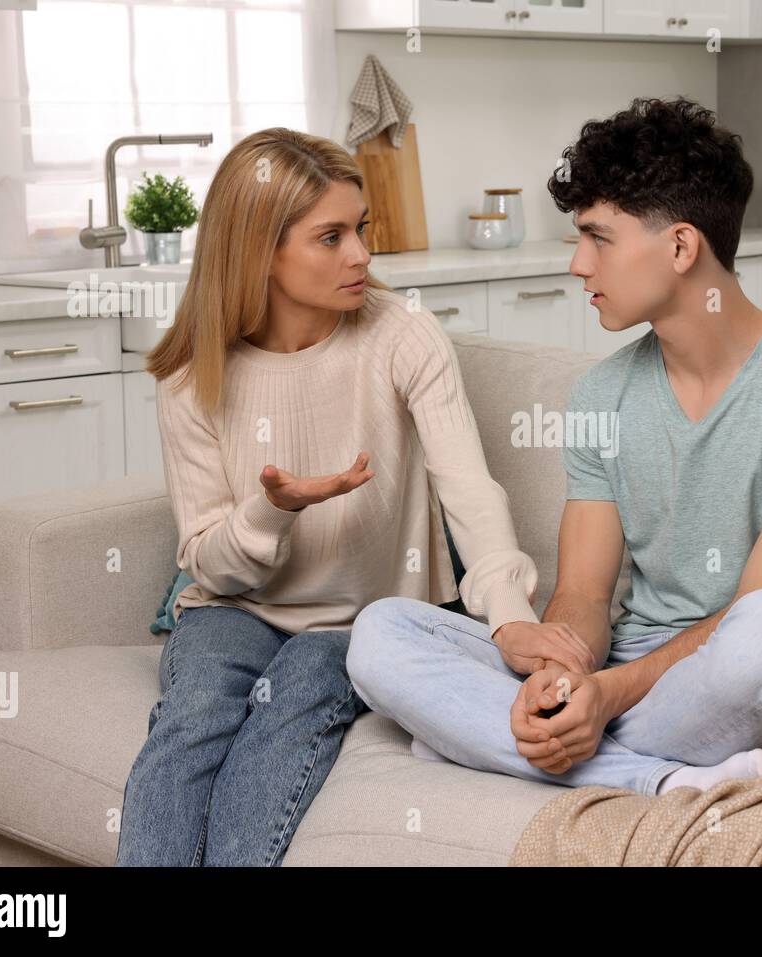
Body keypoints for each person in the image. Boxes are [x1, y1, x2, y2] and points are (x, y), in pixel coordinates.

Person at [347, 97, 762, 798]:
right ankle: (655, 776)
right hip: (628, 665)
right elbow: (583, 593)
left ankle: (483, 738)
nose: (578, 264)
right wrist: (562, 676)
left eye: (598, 238)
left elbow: (759, 606)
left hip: (738, 675)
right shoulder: (601, 395)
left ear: (681, 248)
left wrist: (605, 696)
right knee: (380, 630)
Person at [116, 128, 556, 866]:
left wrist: (510, 615)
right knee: (193, 717)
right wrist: (273, 510)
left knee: (299, 692)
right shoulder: (192, 372)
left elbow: (469, 489)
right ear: (258, 250)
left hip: (366, 619)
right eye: (331, 237)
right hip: (235, 610)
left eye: (361, 229)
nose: (361, 255)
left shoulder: (403, 336)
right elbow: (209, 562)